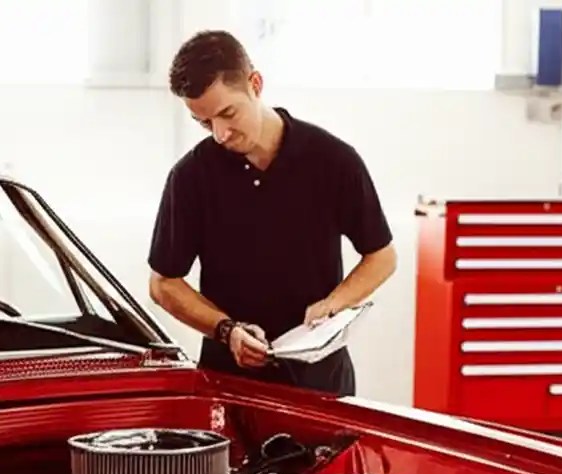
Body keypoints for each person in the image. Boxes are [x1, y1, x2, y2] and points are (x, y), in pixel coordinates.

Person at [147, 29, 396, 396]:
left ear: (256, 83)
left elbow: (382, 257)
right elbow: (163, 283)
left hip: (320, 382)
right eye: (204, 123)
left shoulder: (333, 161)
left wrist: (333, 304)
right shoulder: (189, 178)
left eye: (227, 113)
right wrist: (226, 329)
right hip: (227, 385)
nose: (220, 134)